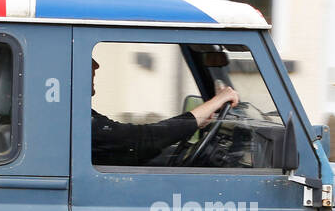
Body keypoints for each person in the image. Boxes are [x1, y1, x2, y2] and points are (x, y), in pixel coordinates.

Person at [90, 58, 239, 165]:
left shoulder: (79, 116)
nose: (96, 65)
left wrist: (194, 123)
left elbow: (134, 142)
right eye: (88, 59)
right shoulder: (78, 121)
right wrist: (216, 101)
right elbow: (138, 142)